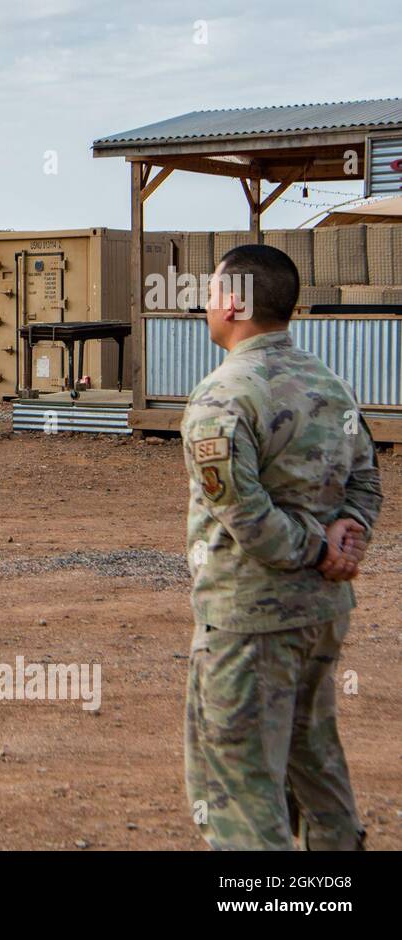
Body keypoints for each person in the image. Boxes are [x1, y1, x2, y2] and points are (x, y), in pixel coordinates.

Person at [182, 244, 383, 850]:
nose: (206, 303)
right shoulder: (331, 384)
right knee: (312, 758)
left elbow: (244, 512)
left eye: (212, 292)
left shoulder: (224, 396)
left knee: (240, 785)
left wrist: (319, 548)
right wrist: (351, 531)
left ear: (236, 303)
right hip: (321, 616)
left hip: (252, 620)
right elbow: (367, 479)